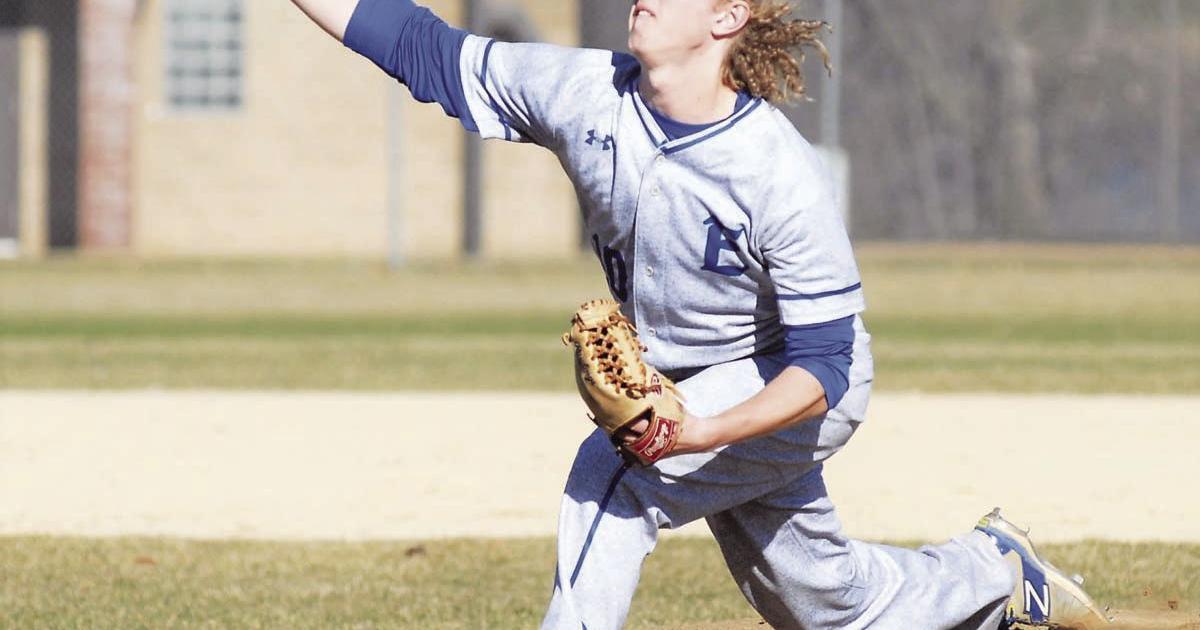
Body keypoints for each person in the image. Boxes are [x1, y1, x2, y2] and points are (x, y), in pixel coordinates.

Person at [288, 0, 1111, 627]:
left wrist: (700, 435)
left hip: (796, 382)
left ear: (726, 17)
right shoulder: (585, 94)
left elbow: (825, 363)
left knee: (612, 475)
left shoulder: (775, 173)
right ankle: (994, 572)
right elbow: (421, 46)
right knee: (821, 602)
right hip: (692, 385)